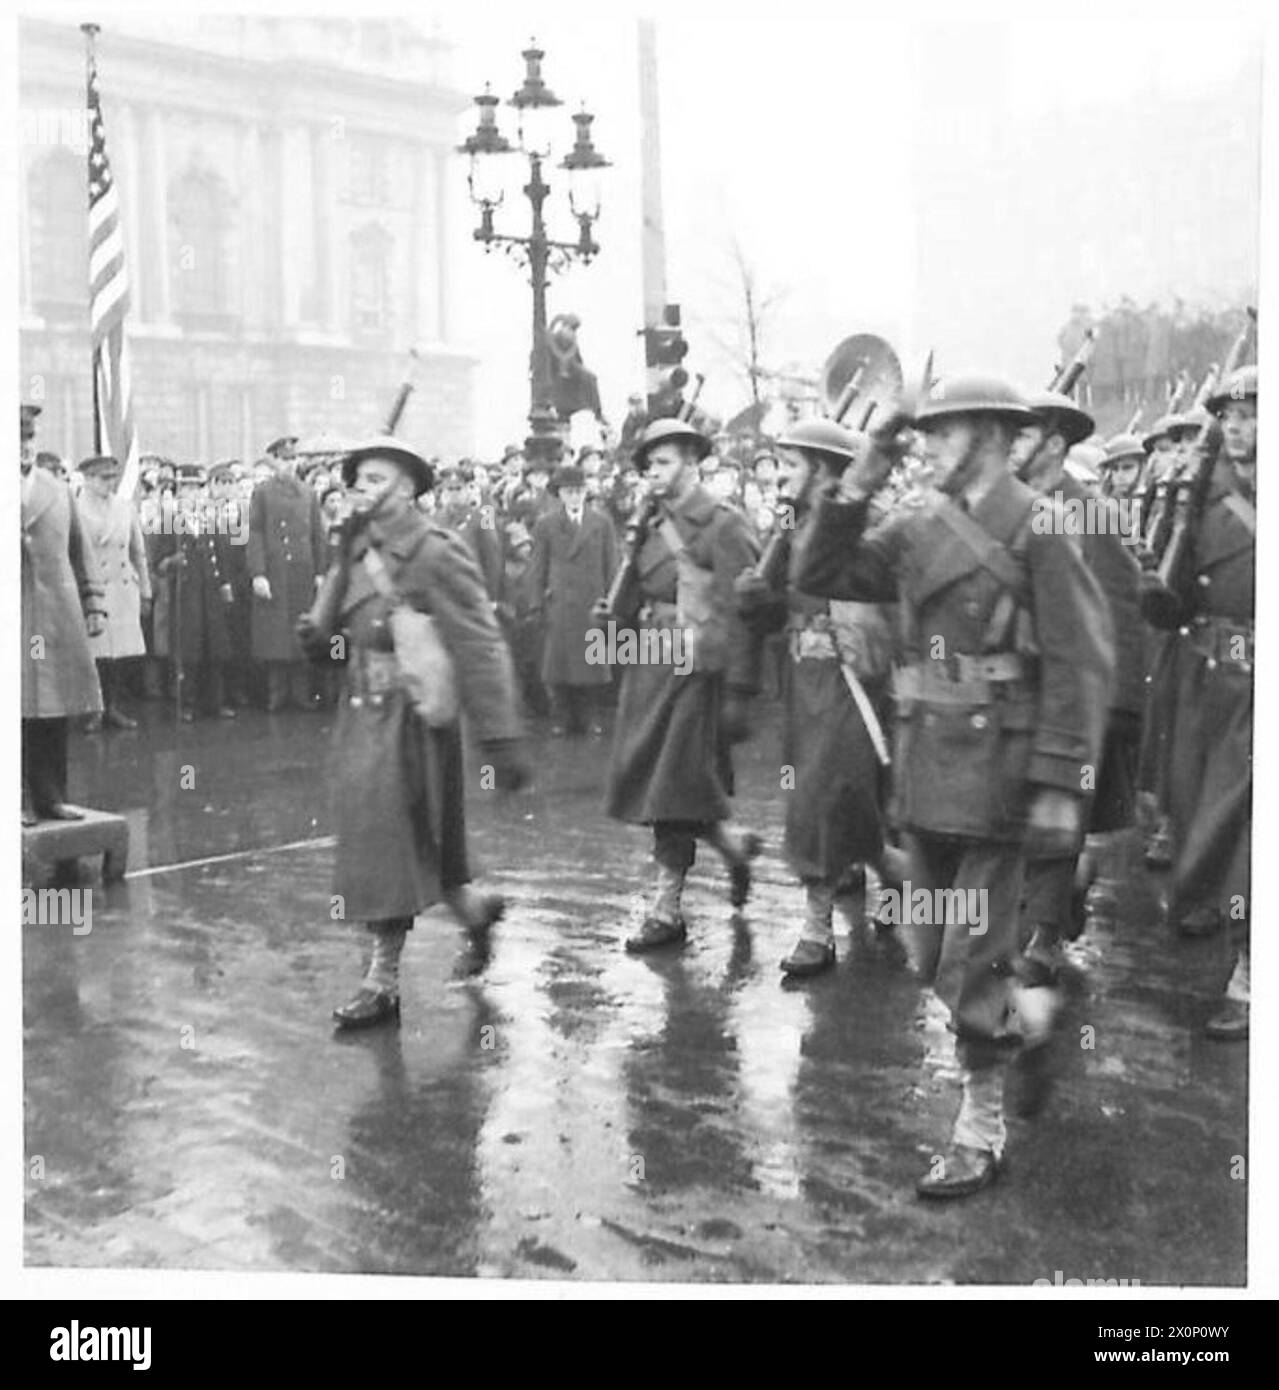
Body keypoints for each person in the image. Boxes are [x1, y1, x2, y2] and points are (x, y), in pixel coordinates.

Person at [795, 376, 1113, 1199]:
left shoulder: (1040, 527)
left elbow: (1081, 665)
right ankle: (1033, 1018)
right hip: (923, 769)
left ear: (992, 435)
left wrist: (1057, 789)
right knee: (929, 952)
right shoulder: (913, 524)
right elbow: (821, 566)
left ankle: (979, 1130)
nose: (928, 443)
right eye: (924, 432)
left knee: (970, 964)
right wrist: (866, 466)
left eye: (942, 430)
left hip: (1003, 778)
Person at [297, 436, 528, 1030]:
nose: (362, 491)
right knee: (409, 842)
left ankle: (383, 980)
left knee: (393, 841)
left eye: (375, 480)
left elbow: (478, 640)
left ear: (407, 488)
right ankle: (474, 910)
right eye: (359, 481)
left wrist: (499, 736)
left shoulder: (435, 551)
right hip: (361, 716)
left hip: (414, 719)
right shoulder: (353, 547)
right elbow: (332, 642)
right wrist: (321, 621)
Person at [735, 418, 902, 978]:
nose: (781, 476)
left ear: (825, 470)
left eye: (792, 464)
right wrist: (758, 602)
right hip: (804, 678)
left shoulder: (870, 524)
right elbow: (779, 605)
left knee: (844, 792)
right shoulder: (789, 525)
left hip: (856, 676)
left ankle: (851, 908)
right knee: (816, 793)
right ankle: (833, 908)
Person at [602, 418, 764, 952]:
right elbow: (629, 602)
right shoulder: (646, 524)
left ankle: (666, 907)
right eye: (649, 464)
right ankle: (732, 847)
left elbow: (743, 610)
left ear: (694, 463)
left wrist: (739, 689)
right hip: (649, 665)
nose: (654, 472)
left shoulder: (723, 523)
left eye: (665, 461)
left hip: (695, 669)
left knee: (676, 784)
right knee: (666, 785)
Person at [1141, 366, 1255, 1038]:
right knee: (1192, 815)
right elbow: (1166, 591)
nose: (1240, 428)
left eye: (1253, 415)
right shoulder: (1193, 493)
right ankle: (1217, 903)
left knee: (1248, 835)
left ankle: (1246, 971)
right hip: (1205, 680)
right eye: (1231, 416)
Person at [1013, 394, 1141, 984]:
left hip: (1071, 696)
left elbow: (1117, 610)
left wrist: (1110, 711)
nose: (1012, 444)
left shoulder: (1090, 514)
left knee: (1059, 812)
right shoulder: (1006, 507)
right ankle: (1058, 898)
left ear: (1056, 443)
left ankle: (1043, 937)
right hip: (1012, 690)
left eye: (1025, 433)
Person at [21, 404, 105, 823]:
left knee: (49, 708)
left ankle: (50, 797)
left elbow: (81, 551)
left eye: (28, 436)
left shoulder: (55, 489)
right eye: (15, 436)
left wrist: (93, 604)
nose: (23, 445)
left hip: (52, 612)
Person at [528, 463, 618, 736]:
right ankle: (562, 716)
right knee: (559, 664)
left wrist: (612, 600)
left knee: (591, 665)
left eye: (579, 491)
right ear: (560, 494)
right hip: (561, 602)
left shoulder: (601, 522)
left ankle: (590, 716)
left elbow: (611, 564)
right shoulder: (546, 524)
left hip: (592, 602)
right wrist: (536, 602)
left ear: (586, 492)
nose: (574, 496)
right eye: (569, 492)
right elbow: (538, 566)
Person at [152, 464, 238, 721]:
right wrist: (171, 562)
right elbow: (158, 562)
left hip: (209, 591)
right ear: (179, 491)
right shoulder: (170, 522)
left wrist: (225, 586)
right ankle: (186, 703)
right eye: (187, 488)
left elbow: (221, 556)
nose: (192, 493)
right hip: (186, 592)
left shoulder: (210, 519)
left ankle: (216, 702)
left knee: (215, 646)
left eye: (196, 488)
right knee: (189, 650)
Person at [246, 448, 328, 711]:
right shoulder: (262, 492)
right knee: (276, 636)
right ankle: (277, 694)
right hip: (276, 571)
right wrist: (258, 573)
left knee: (301, 633)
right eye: (284, 459)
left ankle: (301, 694)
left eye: (293, 459)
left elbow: (318, 534)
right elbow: (255, 533)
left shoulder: (308, 493)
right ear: (274, 462)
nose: (289, 465)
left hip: (302, 572)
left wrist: (320, 572)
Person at [74, 454, 151, 731]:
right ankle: (94, 709)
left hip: (122, 588)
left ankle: (113, 707)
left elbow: (138, 552)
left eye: (112, 478)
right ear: (88, 478)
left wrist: (145, 590)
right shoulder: (75, 507)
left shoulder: (124, 507)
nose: (110, 483)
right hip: (94, 589)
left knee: (119, 655)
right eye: (103, 478)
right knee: (96, 655)